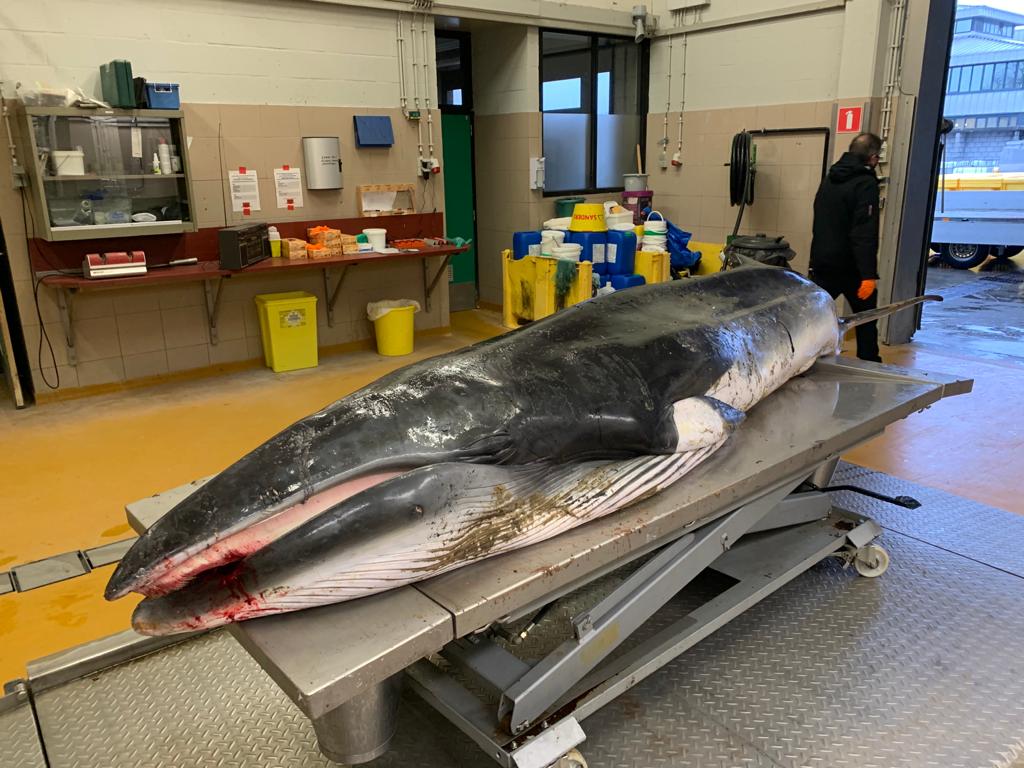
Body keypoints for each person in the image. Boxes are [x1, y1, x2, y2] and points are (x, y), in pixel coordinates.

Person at [809, 132, 883, 362]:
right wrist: (868, 275)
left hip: (822, 264)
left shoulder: (830, 178)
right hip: (852, 268)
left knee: (815, 319)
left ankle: (805, 361)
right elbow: (864, 232)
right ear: (872, 158)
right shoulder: (866, 183)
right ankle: (870, 365)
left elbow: (819, 221)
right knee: (866, 319)